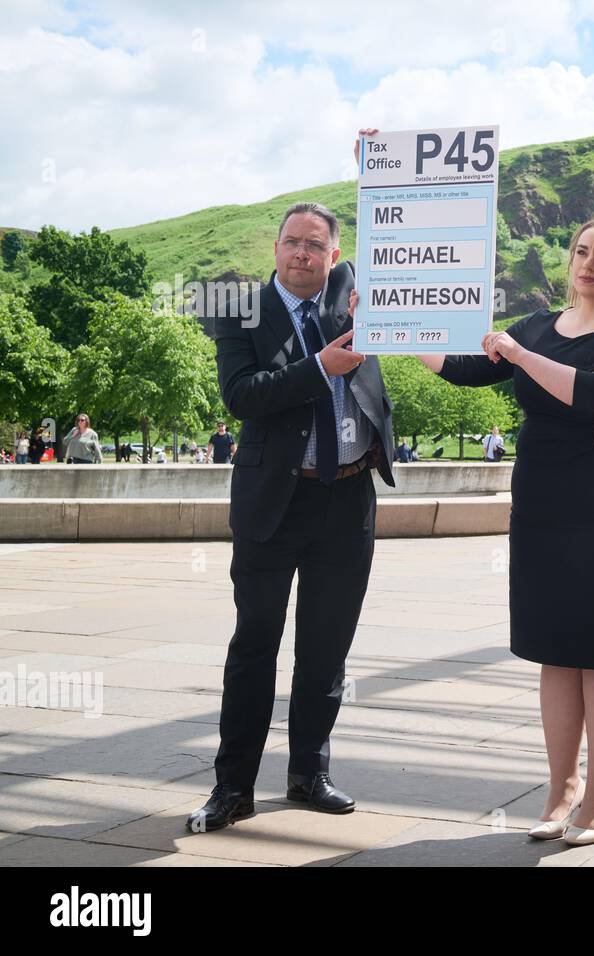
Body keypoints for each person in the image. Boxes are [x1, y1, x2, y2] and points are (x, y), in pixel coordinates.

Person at [357, 209, 594, 845]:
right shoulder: (537, 326)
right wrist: (391, 317)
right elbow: (465, 367)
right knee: (555, 654)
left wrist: (522, 355)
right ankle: (561, 792)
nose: (588, 264)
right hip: (542, 509)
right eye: (582, 251)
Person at [187, 199, 396, 834]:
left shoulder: (352, 292)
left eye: (314, 244)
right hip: (274, 501)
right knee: (255, 645)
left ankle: (309, 771)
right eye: (290, 242)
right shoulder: (243, 309)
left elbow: (398, 246)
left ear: (334, 256)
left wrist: (380, 165)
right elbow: (241, 395)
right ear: (274, 249)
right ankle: (232, 788)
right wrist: (318, 368)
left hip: (349, 497)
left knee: (326, 649)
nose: (300, 253)